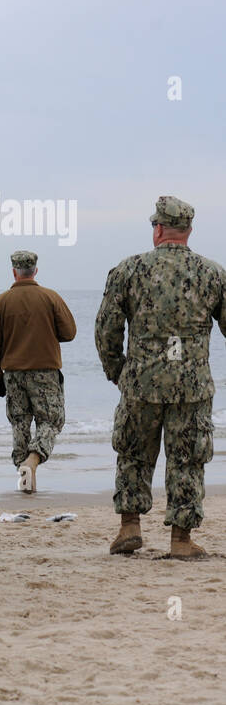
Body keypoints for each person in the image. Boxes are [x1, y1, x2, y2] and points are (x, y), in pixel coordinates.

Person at [95, 196, 226, 559]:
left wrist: (117, 371)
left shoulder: (128, 270)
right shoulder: (213, 274)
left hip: (141, 383)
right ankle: (181, 540)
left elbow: (106, 328)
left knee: (133, 454)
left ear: (157, 229)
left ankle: (129, 526)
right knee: (187, 459)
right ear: (189, 231)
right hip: (192, 388)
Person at [0, 250, 77, 492]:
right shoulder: (50, 298)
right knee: (50, 420)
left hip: (13, 374)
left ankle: (25, 481)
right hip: (45, 372)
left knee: (19, 423)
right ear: (35, 271)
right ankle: (34, 458)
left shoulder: (1, 302)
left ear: (14, 272)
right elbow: (69, 333)